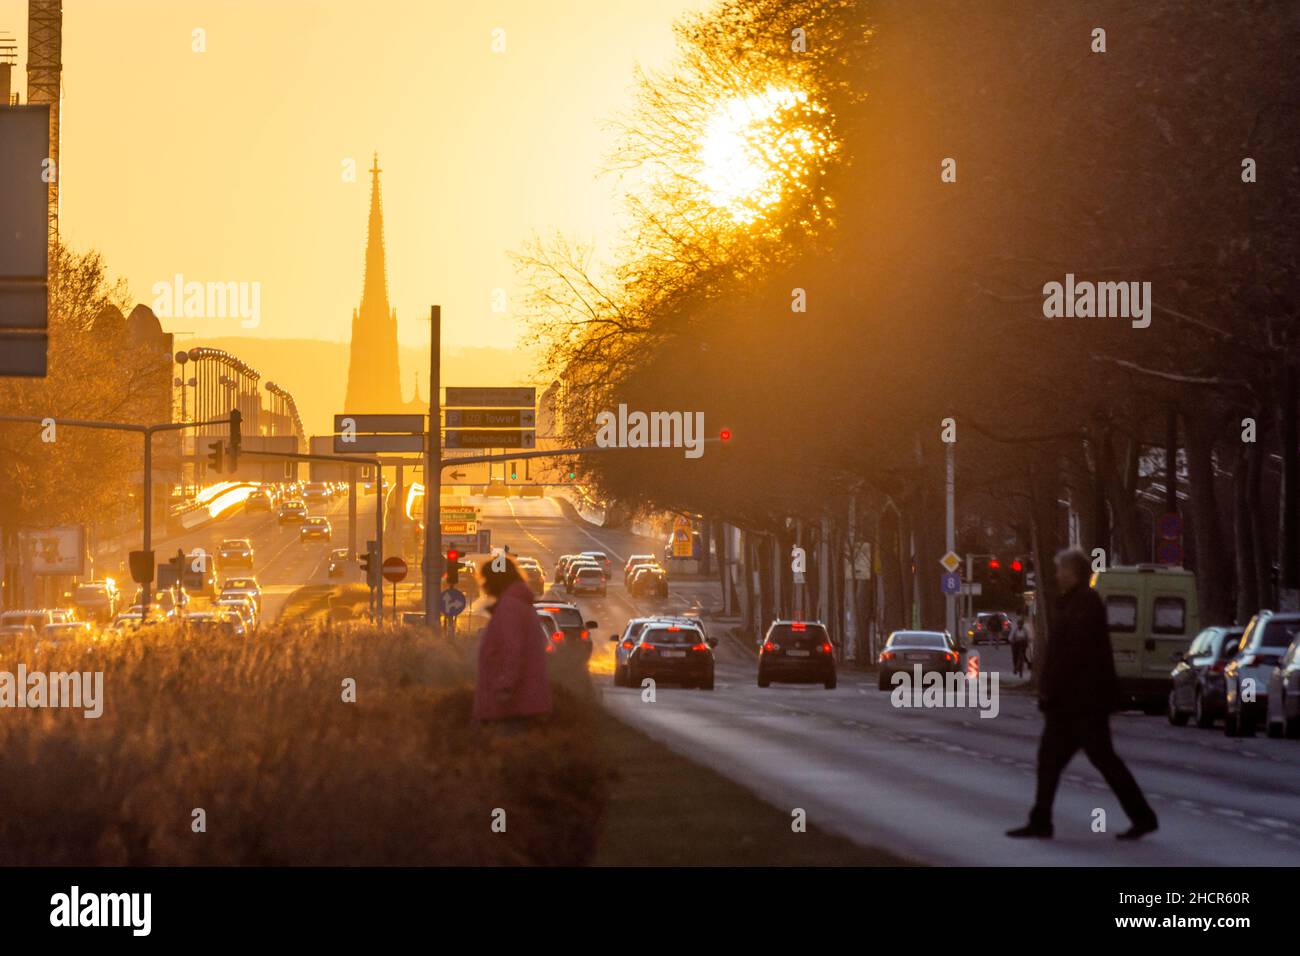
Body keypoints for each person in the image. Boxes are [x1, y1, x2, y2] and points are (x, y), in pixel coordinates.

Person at [1007, 547, 1158, 841]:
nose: (1056, 575)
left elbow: (1073, 654)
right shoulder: (1079, 603)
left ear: (1073, 573)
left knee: (1076, 760)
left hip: (1079, 703)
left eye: (1060, 569)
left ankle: (1043, 821)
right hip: (1079, 702)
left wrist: (1052, 689)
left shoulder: (1083, 605)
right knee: (1074, 760)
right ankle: (1043, 819)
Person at [473, 556, 551, 732]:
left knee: (504, 753)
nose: (484, 586)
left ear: (496, 580)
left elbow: (513, 652)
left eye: (486, 580)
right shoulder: (521, 605)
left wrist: (503, 687)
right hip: (523, 702)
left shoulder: (510, 607)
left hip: (511, 706)